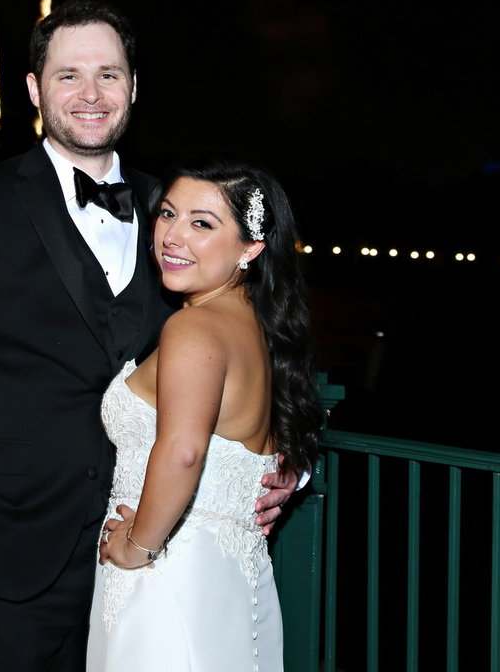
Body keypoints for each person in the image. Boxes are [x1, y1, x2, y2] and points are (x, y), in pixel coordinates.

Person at [0, 1, 298, 671]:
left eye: (110, 74)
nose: (92, 95)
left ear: (135, 86)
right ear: (35, 89)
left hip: (143, 561)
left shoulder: (179, 215)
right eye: (69, 76)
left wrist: (282, 466)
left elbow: (261, 347)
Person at [88, 158, 324, 672]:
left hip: (168, 575)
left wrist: (138, 547)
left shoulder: (193, 330)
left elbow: (184, 449)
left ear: (250, 248)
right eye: (168, 214)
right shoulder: (255, 328)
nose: (172, 236)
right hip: (231, 580)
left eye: (202, 224)